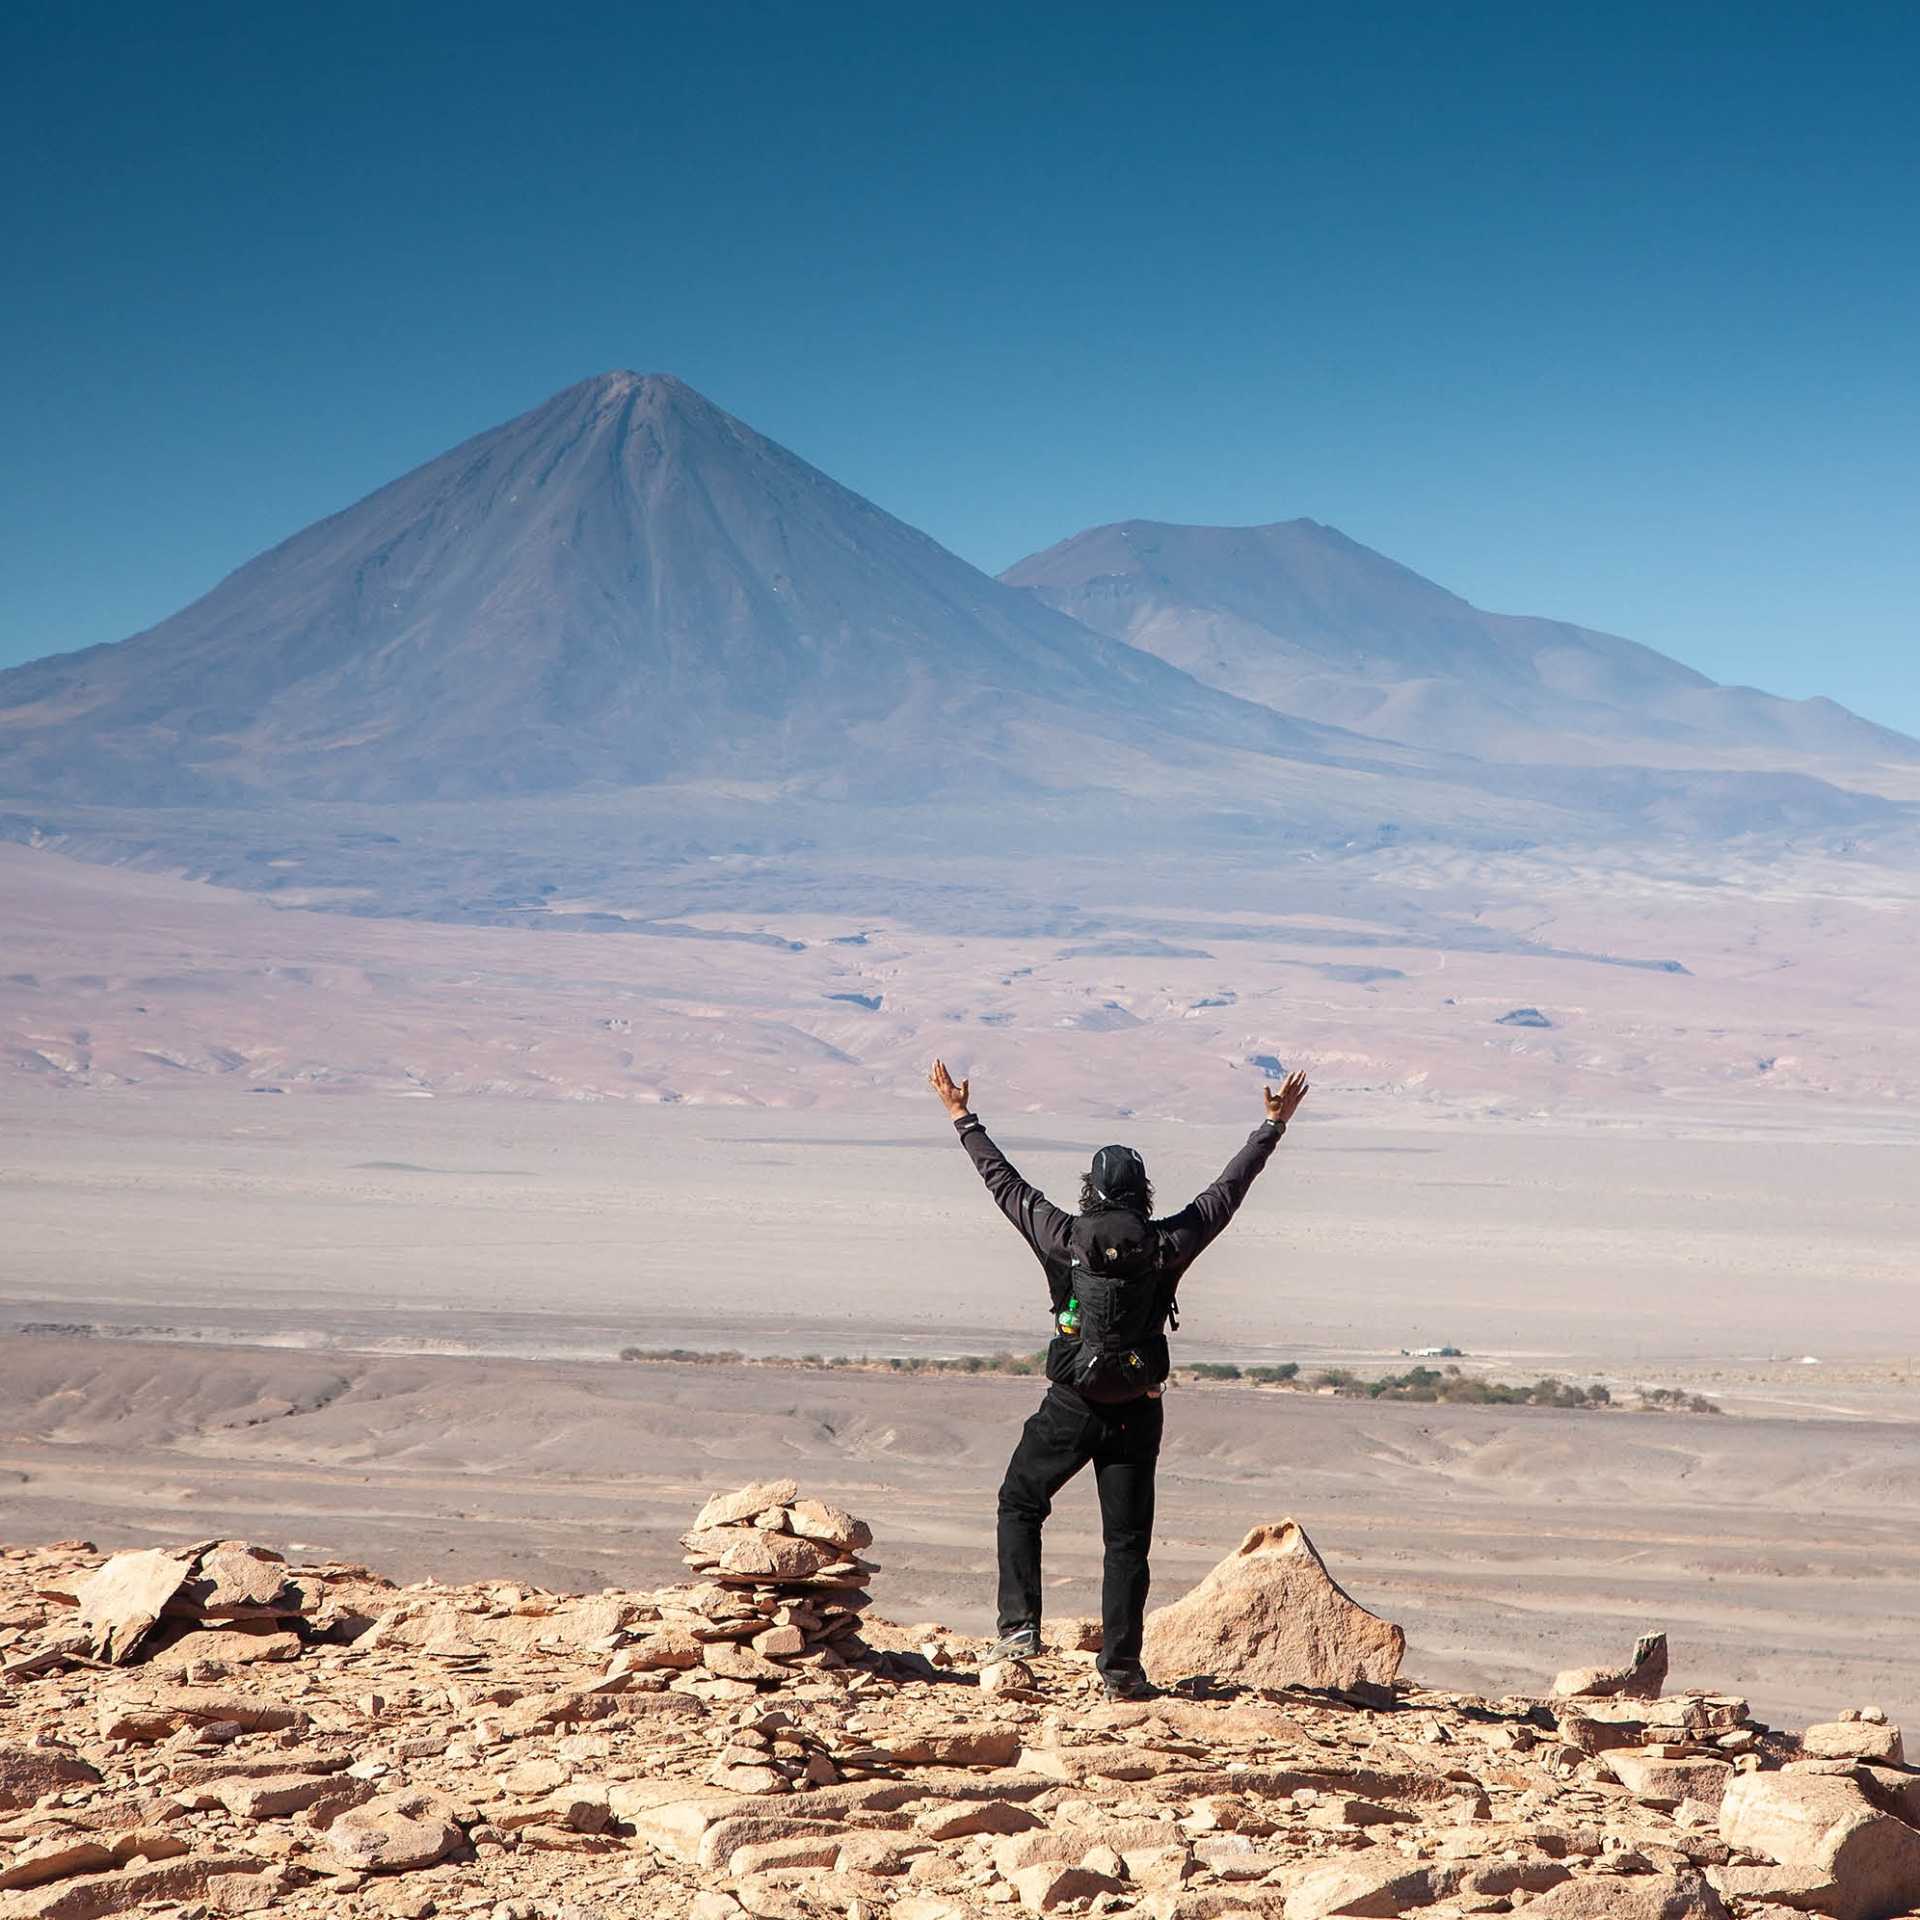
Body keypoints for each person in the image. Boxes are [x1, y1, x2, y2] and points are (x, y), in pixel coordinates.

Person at [927, 1058, 1310, 1699]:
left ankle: (1019, 1630)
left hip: (1072, 1403)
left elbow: (1004, 1183)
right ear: (1143, 1193)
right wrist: (1271, 1127)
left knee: (1020, 1502)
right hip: (1138, 1407)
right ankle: (1122, 1671)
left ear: (1090, 1190)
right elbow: (1226, 1193)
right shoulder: (1168, 1244)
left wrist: (960, 1115)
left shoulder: (1062, 1236)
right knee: (1126, 1542)